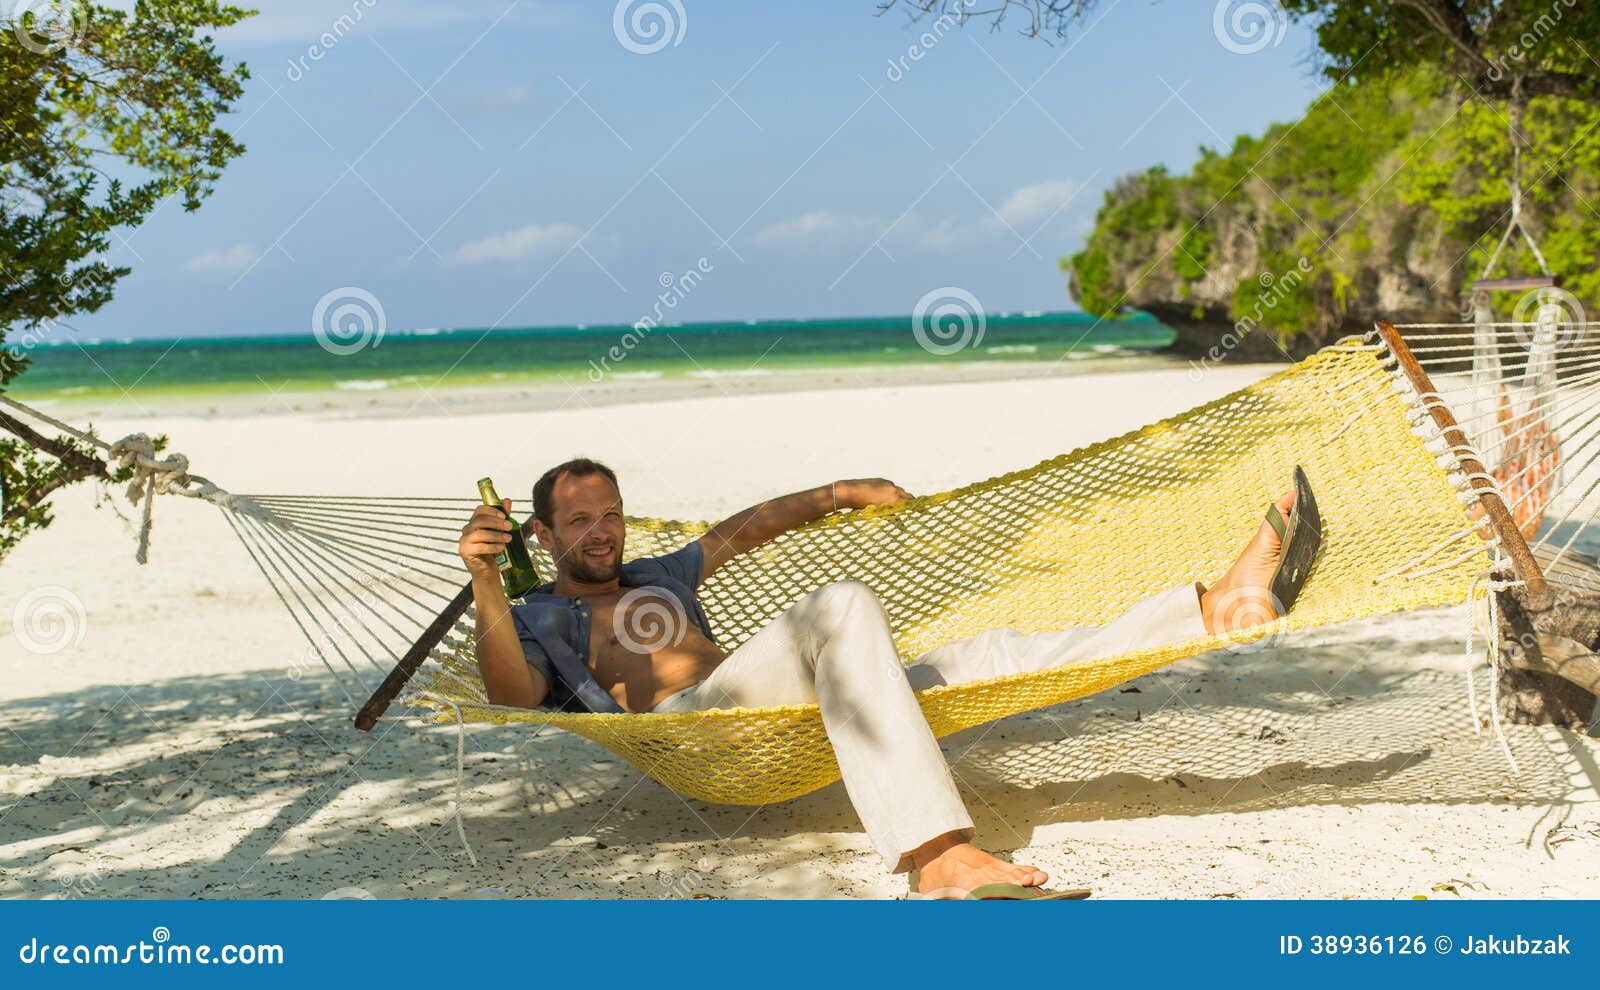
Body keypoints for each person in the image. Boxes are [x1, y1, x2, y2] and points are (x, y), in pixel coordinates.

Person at [458, 457, 1295, 899]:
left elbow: (746, 528)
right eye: (580, 520)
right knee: (841, 606)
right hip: (699, 731)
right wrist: (486, 579)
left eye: (610, 514)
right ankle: (937, 856)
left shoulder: (660, 573)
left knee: (987, 657)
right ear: (544, 535)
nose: (602, 531)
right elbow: (511, 697)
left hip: (790, 706)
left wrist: (840, 492)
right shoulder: (538, 616)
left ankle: (1210, 610)